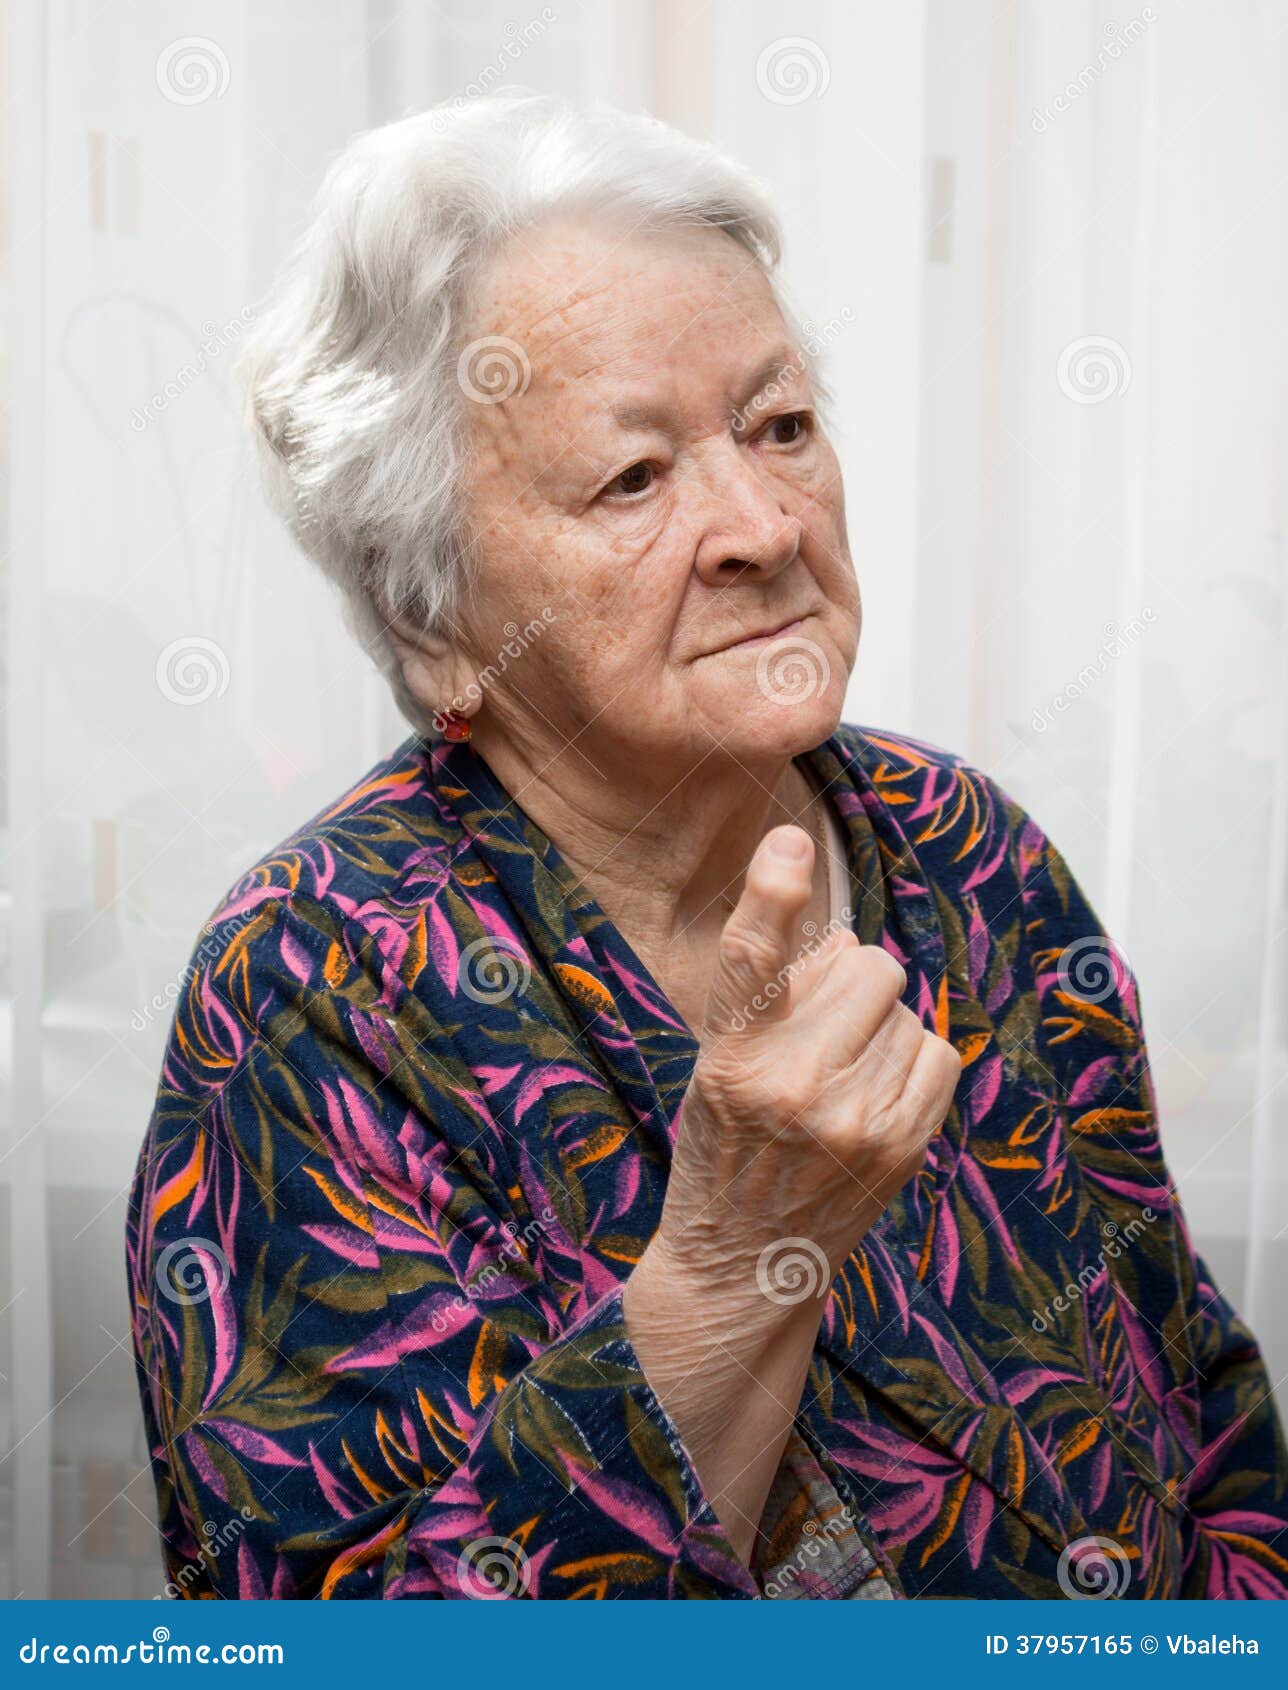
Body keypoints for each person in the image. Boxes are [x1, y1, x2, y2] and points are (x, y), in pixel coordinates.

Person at [126, 91, 1288, 1600]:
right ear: (433, 620)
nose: (763, 522)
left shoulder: (963, 847)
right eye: (633, 476)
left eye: (781, 424)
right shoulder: (311, 988)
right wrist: (733, 1258)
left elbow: (1198, 1402)